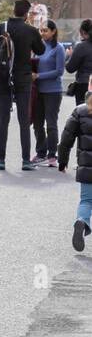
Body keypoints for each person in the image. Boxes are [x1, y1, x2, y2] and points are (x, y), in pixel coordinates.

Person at [0, 0, 46, 171]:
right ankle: (26, 161)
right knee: (23, 121)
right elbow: (41, 51)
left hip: (3, 79)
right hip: (23, 79)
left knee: (3, 120)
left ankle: (0, 160)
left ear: (13, 10)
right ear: (26, 14)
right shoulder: (31, 30)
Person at [58, 90, 92, 252]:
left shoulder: (79, 111)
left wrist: (62, 161)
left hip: (87, 166)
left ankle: (82, 221)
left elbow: (66, 139)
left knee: (86, 200)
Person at [34, 21, 64, 167]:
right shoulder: (39, 47)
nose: (43, 33)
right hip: (38, 91)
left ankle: (52, 155)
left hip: (53, 91)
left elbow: (59, 72)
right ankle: (41, 153)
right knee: (37, 124)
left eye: (45, 30)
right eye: (41, 30)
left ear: (53, 31)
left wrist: (39, 76)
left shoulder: (58, 48)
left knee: (51, 124)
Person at [66, 19, 92, 106]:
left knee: (84, 114)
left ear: (83, 32)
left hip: (84, 85)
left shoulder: (81, 47)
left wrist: (69, 56)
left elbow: (70, 68)